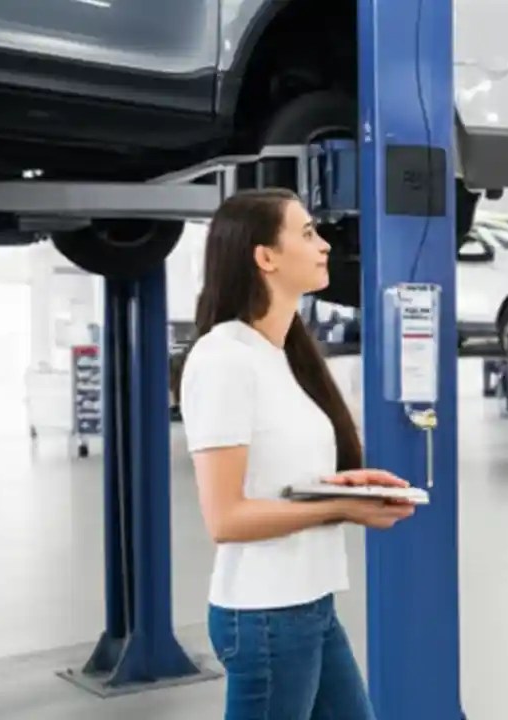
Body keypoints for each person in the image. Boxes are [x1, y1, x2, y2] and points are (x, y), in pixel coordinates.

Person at [179, 188, 417, 720]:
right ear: (265, 258)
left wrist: (345, 486)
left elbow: (279, 479)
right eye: (307, 233)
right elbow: (226, 517)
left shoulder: (281, 356)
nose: (324, 245)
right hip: (265, 616)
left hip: (310, 604)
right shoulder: (224, 360)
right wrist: (339, 509)